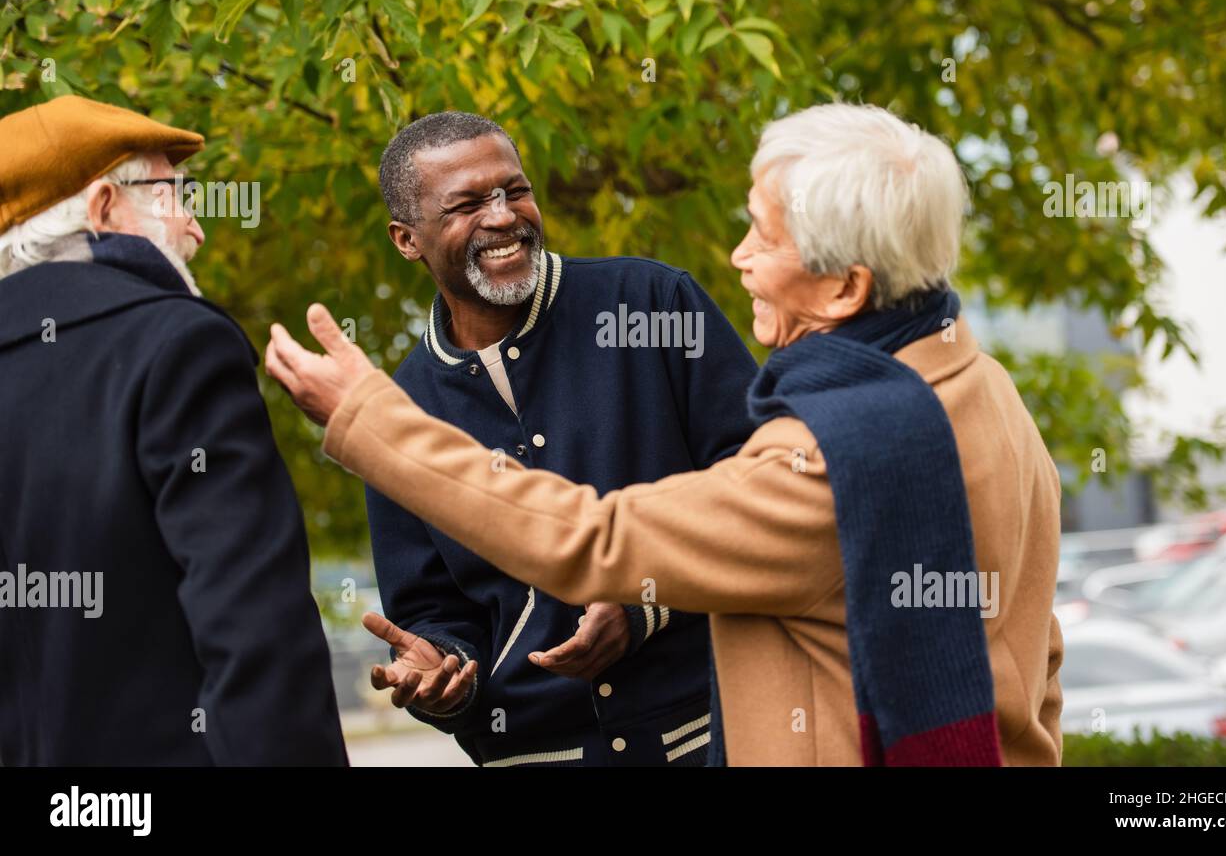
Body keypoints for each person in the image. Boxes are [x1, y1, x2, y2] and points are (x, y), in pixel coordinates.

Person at [267, 102, 1064, 767]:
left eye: (762, 234)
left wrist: (366, 418)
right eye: (468, 203)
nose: (737, 256)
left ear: (846, 284)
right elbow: (1040, 643)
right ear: (407, 237)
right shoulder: (974, 380)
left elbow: (597, 540)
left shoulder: (834, 449)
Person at [347, 111, 757, 766]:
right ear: (406, 239)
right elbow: (433, 610)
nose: (505, 215)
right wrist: (441, 676)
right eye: (467, 203)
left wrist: (643, 606)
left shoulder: (654, 304)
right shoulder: (399, 411)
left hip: (709, 737)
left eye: (515, 189)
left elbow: (761, 491)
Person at [0, 95, 346, 765]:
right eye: (175, 194)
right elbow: (257, 636)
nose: (197, 228)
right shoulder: (180, 344)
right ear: (103, 208)